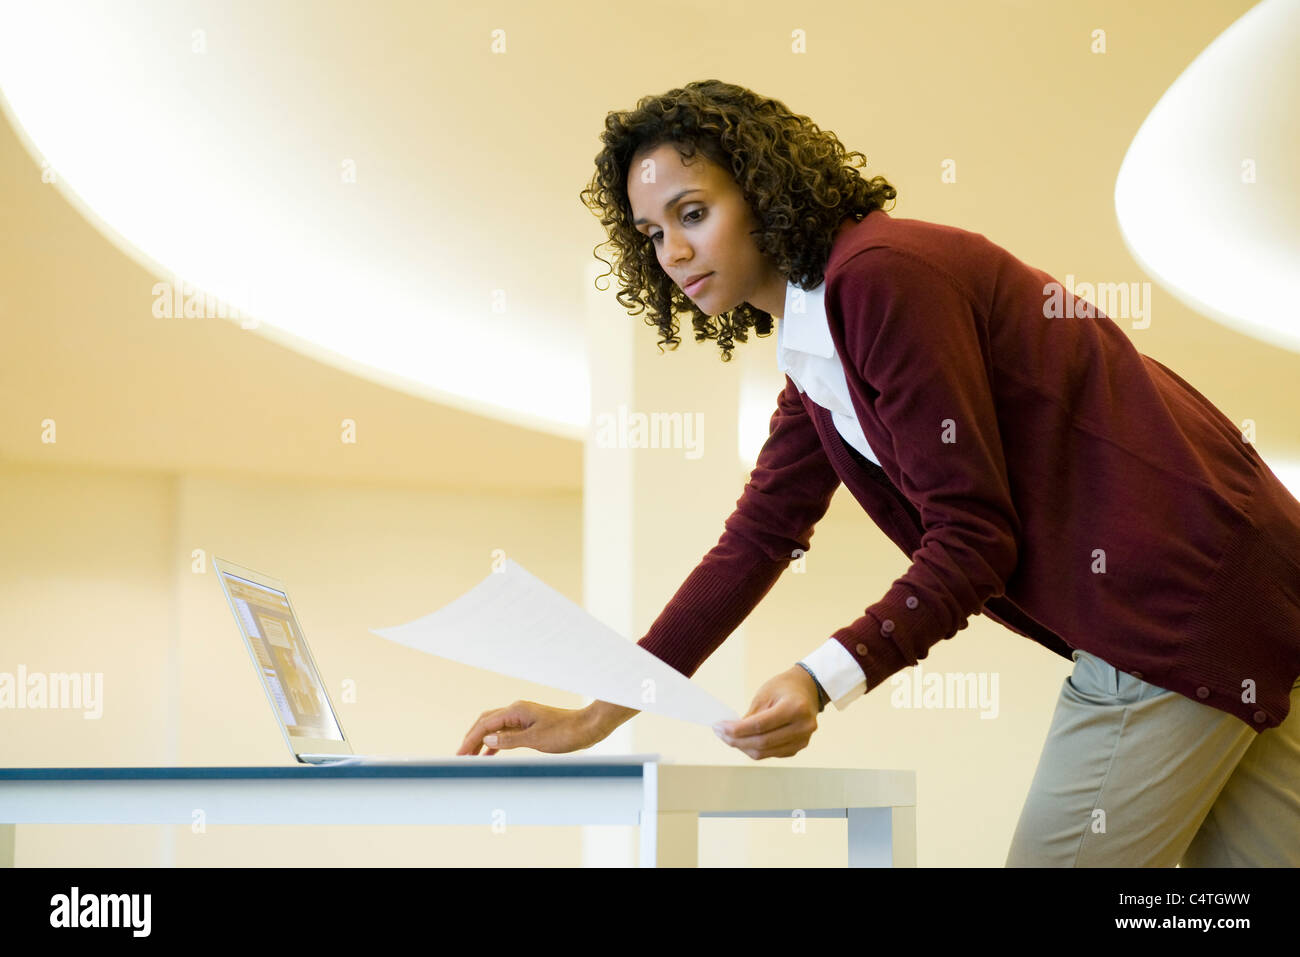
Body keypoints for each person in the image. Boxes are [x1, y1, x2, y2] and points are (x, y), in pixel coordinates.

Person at [457, 80, 1300, 866]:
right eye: (652, 233)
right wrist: (600, 710)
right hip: (1247, 589)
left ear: (762, 191)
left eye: (692, 212)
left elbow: (974, 539)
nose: (673, 251)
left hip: (1171, 605)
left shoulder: (880, 280)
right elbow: (757, 540)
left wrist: (822, 678)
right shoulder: (821, 351)